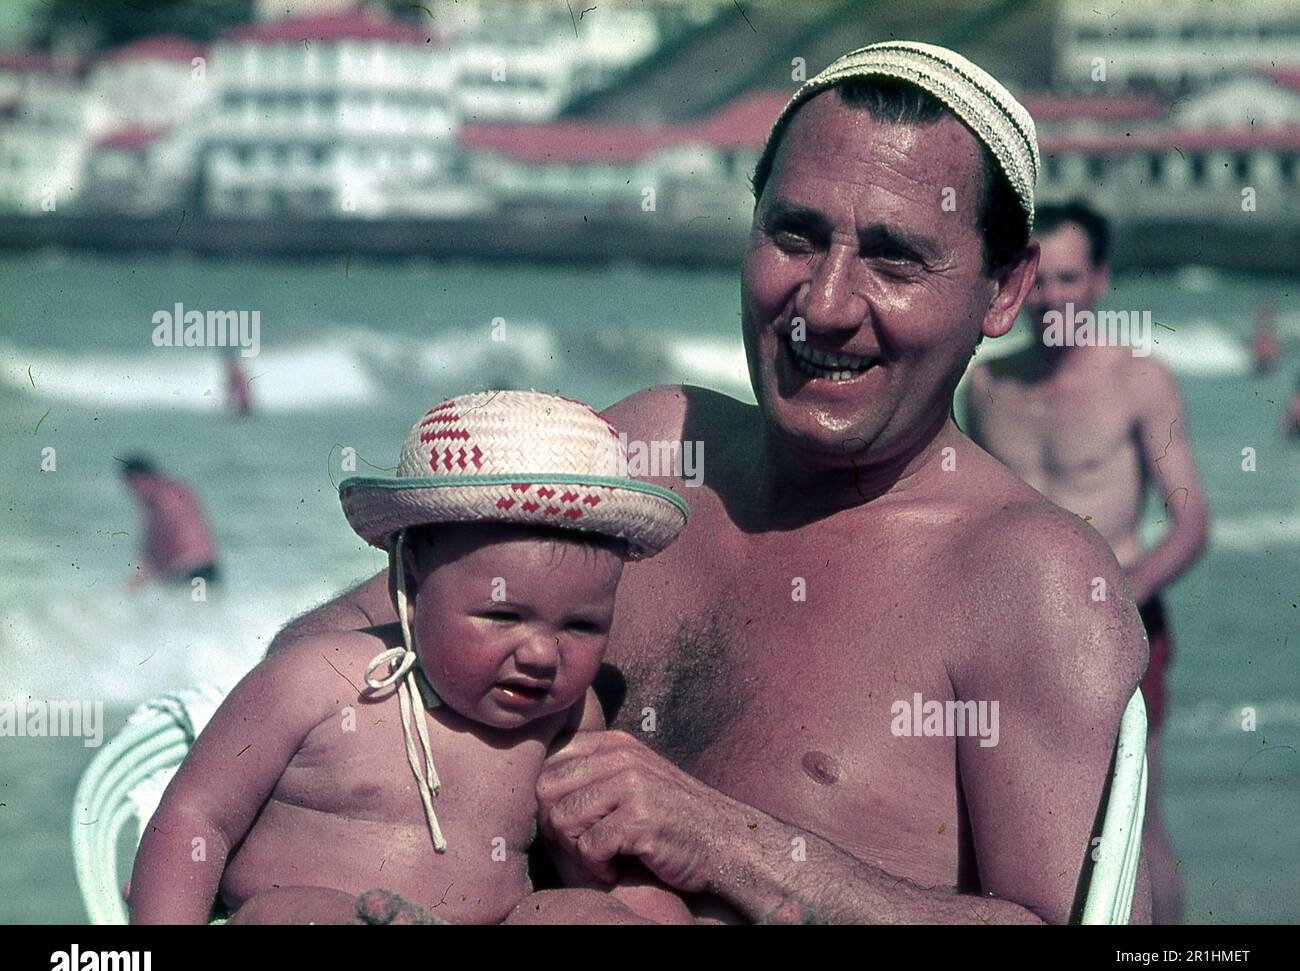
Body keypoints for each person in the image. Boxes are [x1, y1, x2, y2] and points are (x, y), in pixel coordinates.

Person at [267, 43, 1152, 924]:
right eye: (795, 236)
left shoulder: (1030, 578)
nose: (826, 306)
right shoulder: (657, 455)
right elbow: (323, 653)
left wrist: (734, 847)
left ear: (1006, 292)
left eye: (895, 260)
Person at [128, 392, 693, 925]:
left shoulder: (566, 719)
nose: (544, 654)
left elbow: (599, 866)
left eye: (583, 625)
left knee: (569, 914)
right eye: (502, 617)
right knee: (293, 911)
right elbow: (194, 819)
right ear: (412, 577)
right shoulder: (318, 681)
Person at [963, 200, 1211, 923]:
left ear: (1100, 280)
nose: (1053, 297)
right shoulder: (988, 386)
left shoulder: (1139, 380)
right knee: (1021, 831)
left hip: (1126, 628)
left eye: (1071, 278)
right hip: (1019, 637)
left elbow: (1190, 522)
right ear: (1018, 282)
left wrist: (1119, 595)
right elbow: (981, 518)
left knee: (1136, 824)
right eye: (1041, 279)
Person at [119, 456, 220, 589]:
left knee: (196, 608)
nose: (131, 490)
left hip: (194, 570)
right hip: (199, 567)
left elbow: (165, 534)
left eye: (130, 483)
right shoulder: (174, 490)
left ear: (141, 478)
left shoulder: (163, 499)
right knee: (199, 609)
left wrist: (146, 570)